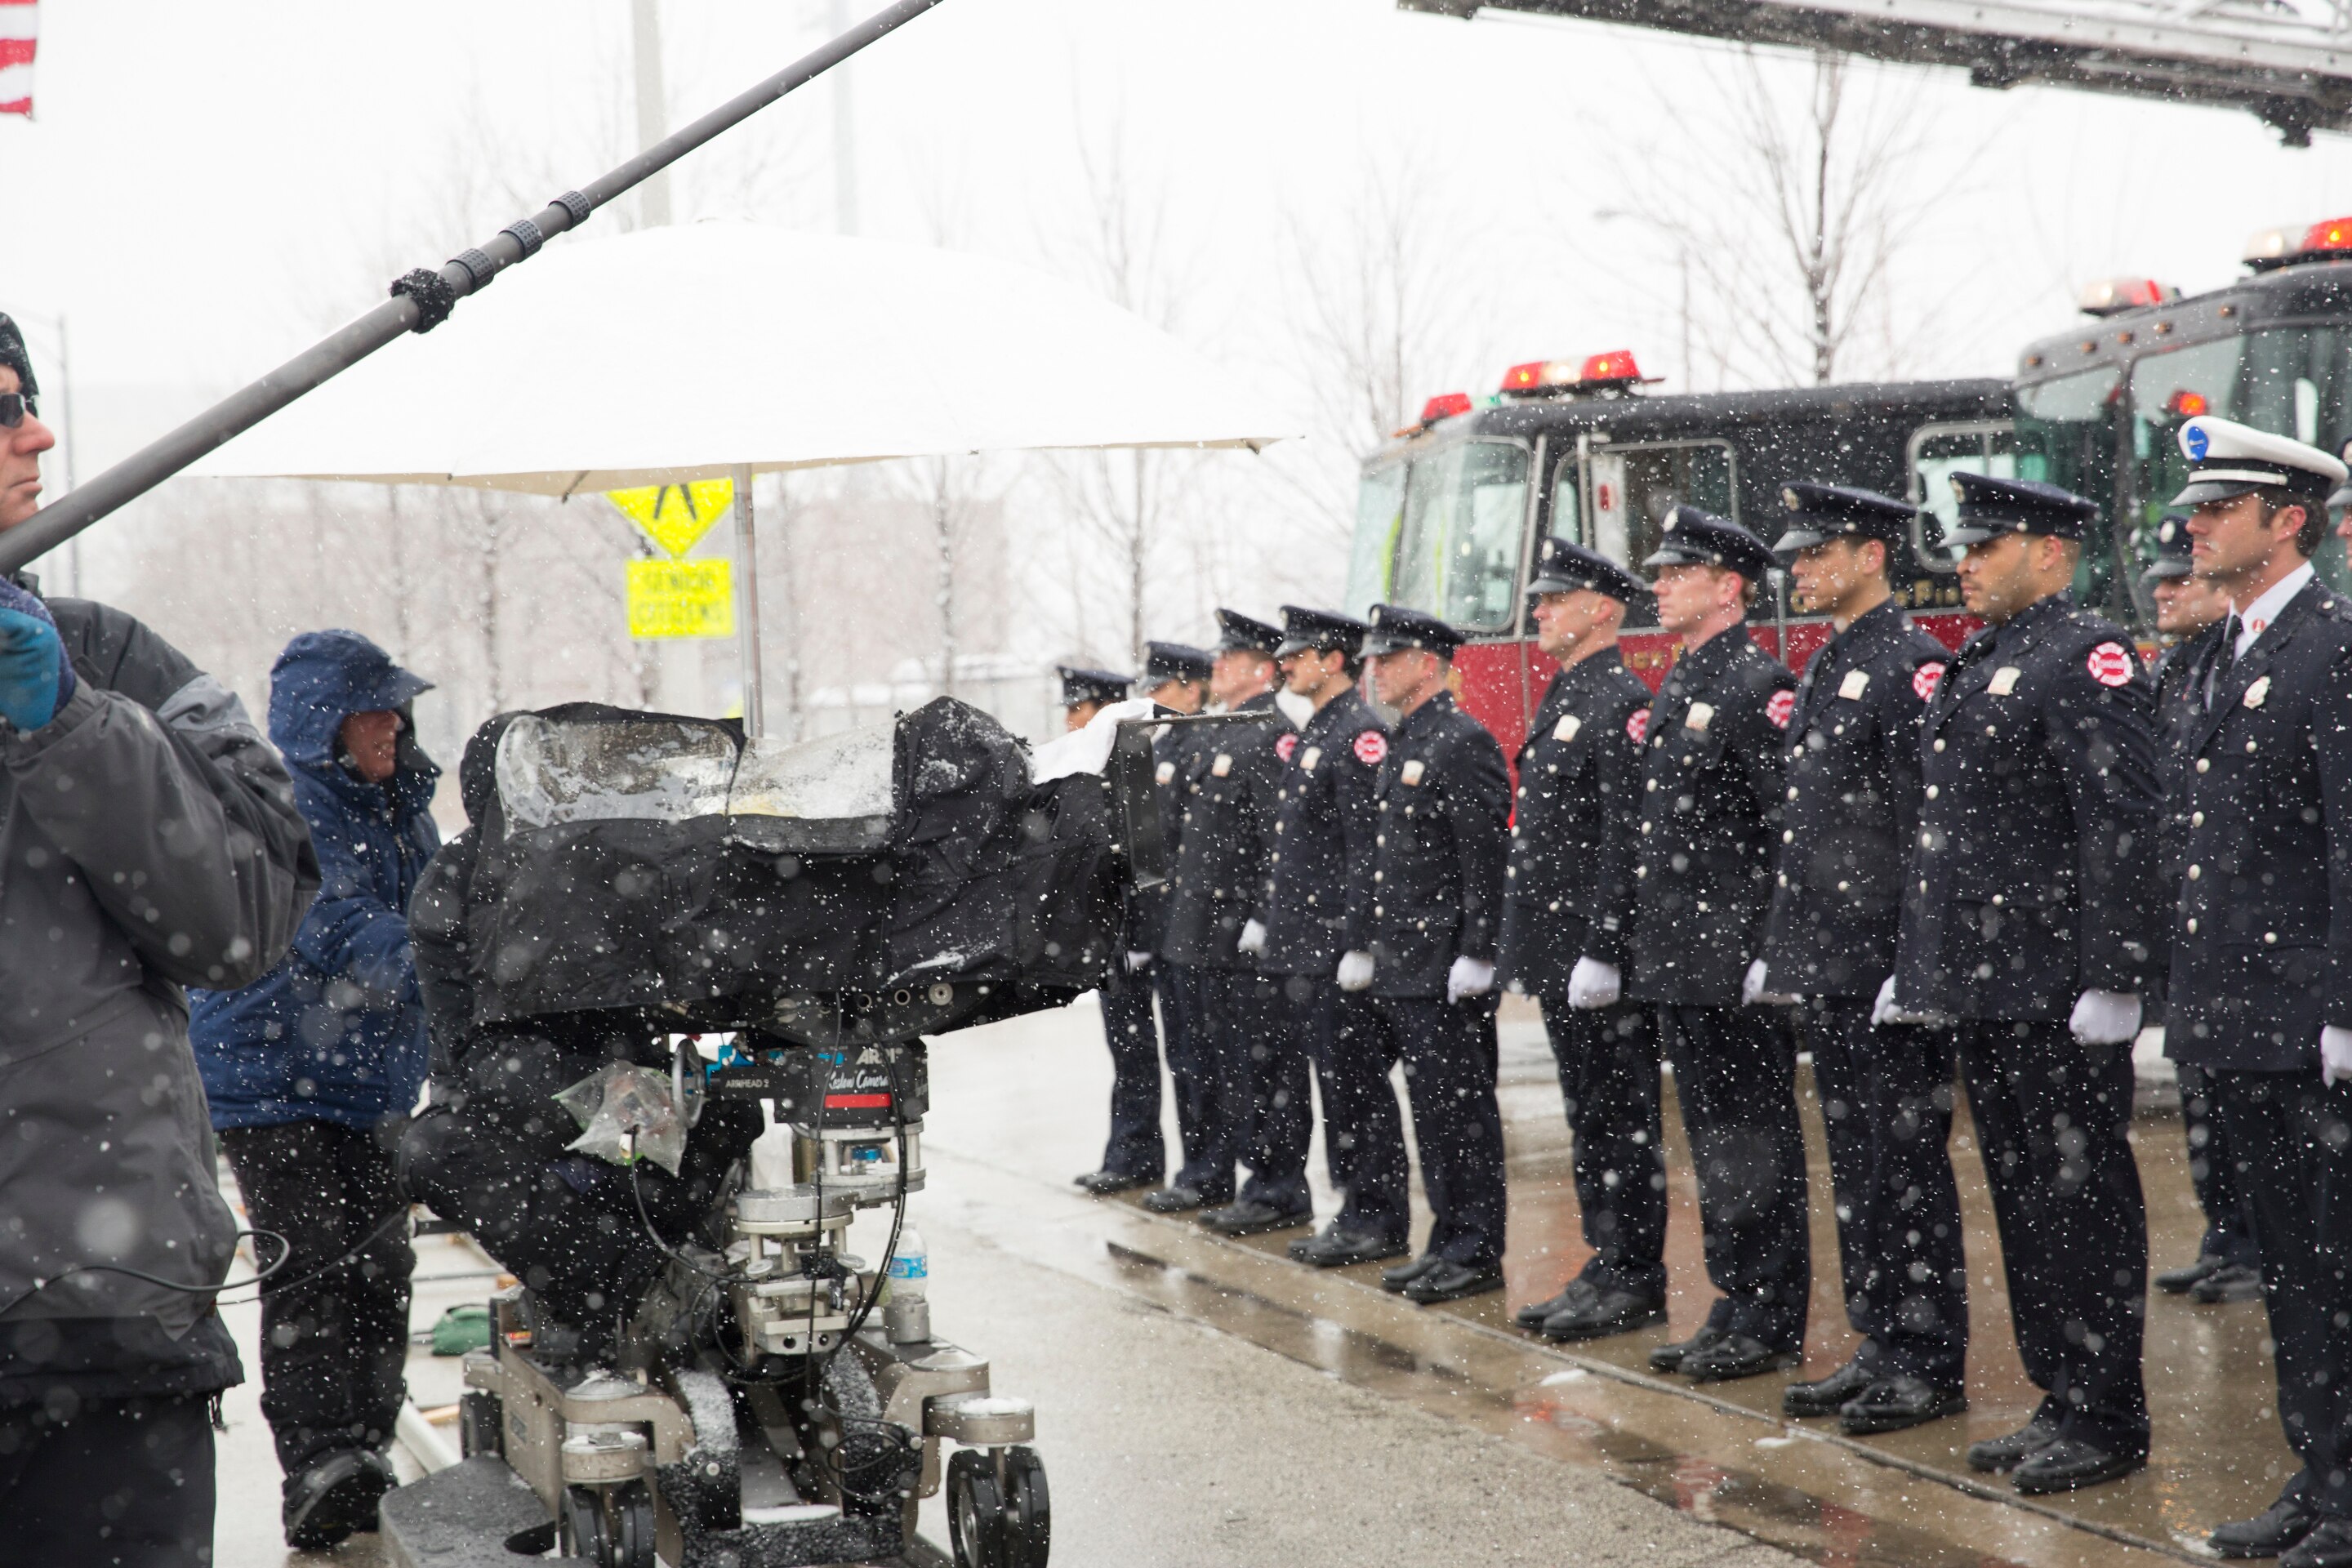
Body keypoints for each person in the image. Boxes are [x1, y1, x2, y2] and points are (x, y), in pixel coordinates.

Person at [0, 313, 318, 1566]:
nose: (41, 432)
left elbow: (247, 920)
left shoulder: (111, 660)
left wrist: (69, 721)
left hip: (101, 1324)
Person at [1888, 470, 2161, 1495]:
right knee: (2026, 1201)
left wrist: (2117, 975)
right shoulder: (1990, 658)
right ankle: (2062, 1391)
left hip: (2055, 989)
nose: (1963, 561)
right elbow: (1949, 842)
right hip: (1991, 987)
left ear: (2050, 551)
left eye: (1985, 544)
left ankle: (2108, 1413)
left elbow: (2121, 823)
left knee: (2082, 1201)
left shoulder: (2084, 658)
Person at [398, 716, 765, 1369]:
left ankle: (651, 1277)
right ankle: (635, 1282)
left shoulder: (625, 856)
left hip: (642, 1094)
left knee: (735, 1106)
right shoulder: (454, 882)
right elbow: (460, 1047)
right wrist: (573, 1096)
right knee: (430, 1149)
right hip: (522, 1104)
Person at [187, 631, 439, 1548]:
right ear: (324, 724)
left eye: (395, 708)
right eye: (371, 709)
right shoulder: (293, 806)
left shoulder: (405, 804)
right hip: (272, 1078)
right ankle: (319, 1463)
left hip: (366, 1077)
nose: (391, 725)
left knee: (382, 1263)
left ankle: (365, 1448)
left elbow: (432, 910)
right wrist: (447, 970)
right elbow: (337, 925)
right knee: (315, 1265)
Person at [2158, 417, 2352, 1565]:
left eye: (2219, 509)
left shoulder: (2331, 647)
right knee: (2290, 1268)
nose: (2194, 527)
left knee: (2334, 1264)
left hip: (2304, 1021)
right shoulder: (2228, 650)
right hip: (2240, 1018)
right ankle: (2321, 1472)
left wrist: (2344, 1007)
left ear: (2287, 522)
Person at [1756, 483, 1967, 1434]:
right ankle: (1882, 1341)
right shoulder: (1831, 660)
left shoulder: (1910, 666)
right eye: (1796, 557)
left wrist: (1913, 967)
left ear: (1872, 555)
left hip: (1884, 967)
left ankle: (1926, 1356)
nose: (1799, 570)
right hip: (1835, 963)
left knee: (1906, 1165)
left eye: (1816, 553)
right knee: (1860, 1167)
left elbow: (1928, 829)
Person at [1625, 508, 1810, 1384]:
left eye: (1676, 572)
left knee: (1756, 1140)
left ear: (1729, 585)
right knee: (1717, 1142)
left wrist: (1773, 950)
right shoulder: (1684, 677)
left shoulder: (1754, 682)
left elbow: (1786, 831)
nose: (1657, 585)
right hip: (1686, 958)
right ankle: (1737, 1300)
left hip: (1733, 961)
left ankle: (1768, 1314)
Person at [1499, 539, 1669, 1342]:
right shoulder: (1567, 694)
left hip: (1594, 957)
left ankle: (1635, 1270)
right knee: (1591, 1116)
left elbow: (1622, 840)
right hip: (1561, 953)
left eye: (1553, 599)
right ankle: (1608, 1259)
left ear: (1601, 609)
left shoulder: (1618, 700)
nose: (1538, 612)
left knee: (1619, 1113)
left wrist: (1604, 945)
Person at [1344, 604, 1512, 1304]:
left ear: (1429, 663)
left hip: (1446, 970)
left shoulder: (1460, 740)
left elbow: (1484, 858)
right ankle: (1449, 1240)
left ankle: (1476, 1250)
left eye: (1389, 657)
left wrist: (1478, 954)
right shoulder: (1408, 739)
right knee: (1435, 1117)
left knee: (1462, 1115)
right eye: (1373, 659)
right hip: (1407, 967)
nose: (1374, 670)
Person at [1251, 606, 1412, 1268]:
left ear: (1334, 659)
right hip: (1306, 947)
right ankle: (1355, 1211)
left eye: (1299, 653)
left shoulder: (1358, 733)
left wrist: (1358, 939)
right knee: (1338, 1089)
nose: (1284, 663)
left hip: (1333, 947)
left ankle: (1378, 1217)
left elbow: (1363, 849)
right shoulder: (1319, 727)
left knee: (1359, 1088)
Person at [1151, 612, 1310, 1235]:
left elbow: (1282, 841)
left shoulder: (1270, 733)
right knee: (1209, 1064)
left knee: (1263, 1069)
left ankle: (1277, 1188)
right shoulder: (1222, 732)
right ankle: (1221, 1172)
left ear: (1263, 670)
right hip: (1196, 935)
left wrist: (1262, 918)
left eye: (1230, 658)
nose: (1216, 667)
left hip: (1237, 938)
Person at [2140, 514, 2264, 1309]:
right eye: (2158, 579)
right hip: (2191, 914)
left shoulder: (2235, 663)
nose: (2163, 590)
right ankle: (2225, 1237)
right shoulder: (2182, 669)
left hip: (2240, 919)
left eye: (2179, 578)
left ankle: (2255, 1246)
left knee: (2245, 1100)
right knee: (2203, 1093)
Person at [1075, 643, 1208, 1196]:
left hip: (1168, 933)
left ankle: (1194, 1169)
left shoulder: (1184, 748)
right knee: (1131, 1052)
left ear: (1192, 687)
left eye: (1164, 685)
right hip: (1130, 930)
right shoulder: (1136, 749)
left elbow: (1169, 857)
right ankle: (1133, 1154)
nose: (1152, 696)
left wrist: (1147, 933)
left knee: (1186, 1057)